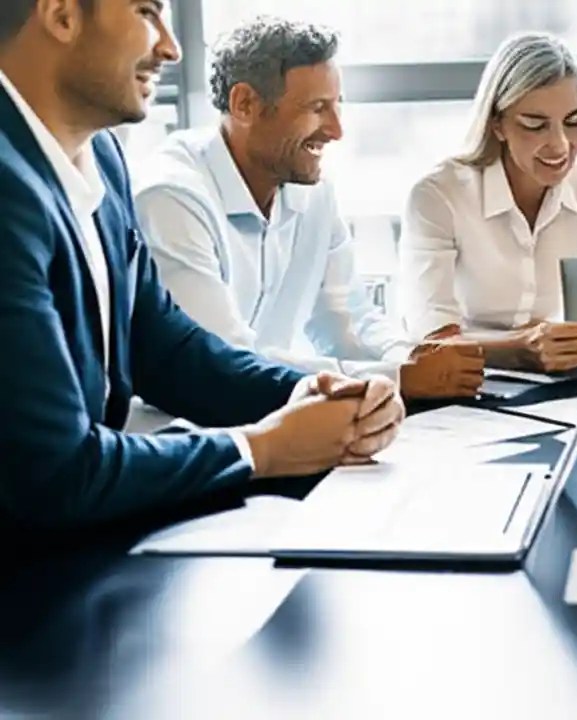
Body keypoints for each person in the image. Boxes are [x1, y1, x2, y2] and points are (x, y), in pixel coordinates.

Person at [0, 0, 403, 530]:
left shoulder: (101, 158)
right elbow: (54, 472)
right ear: (62, 15)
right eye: (148, 12)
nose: (170, 46)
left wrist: (304, 393)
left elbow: (165, 350)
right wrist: (264, 448)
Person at [133, 17, 483, 400]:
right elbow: (225, 362)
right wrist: (397, 376)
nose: (336, 130)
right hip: (189, 430)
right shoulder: (171, 199)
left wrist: (415, 357)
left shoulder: (312, 191)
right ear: (245, 104)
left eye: (337, 106)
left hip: (278, 414)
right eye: (318, 108)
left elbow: (348, 323)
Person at [399, 32, 577, 374]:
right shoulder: (437, 195)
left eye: (574, 122)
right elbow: (432, 342)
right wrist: (520, 350)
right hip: (463, 384)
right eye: (536, 125)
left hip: (564, 380)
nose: (560, 145)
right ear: (497, 123)